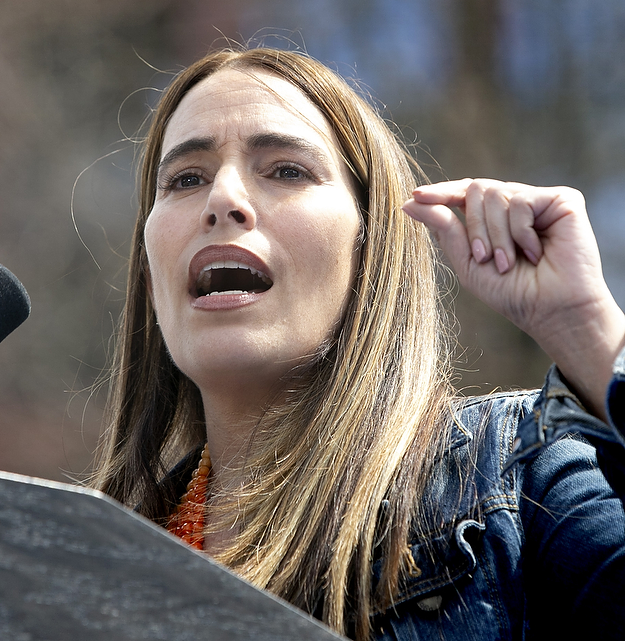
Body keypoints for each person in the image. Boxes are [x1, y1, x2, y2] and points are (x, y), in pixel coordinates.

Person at [90, 46, 625, 640]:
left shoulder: (521, 477)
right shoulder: (81, 565)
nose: (222, 201)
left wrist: (590, 333)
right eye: (185, 179)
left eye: (286, 169)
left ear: (371, 247)